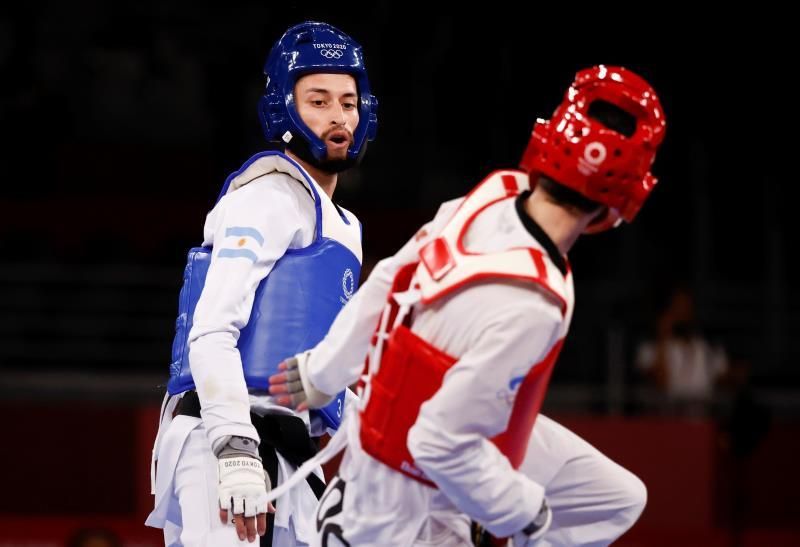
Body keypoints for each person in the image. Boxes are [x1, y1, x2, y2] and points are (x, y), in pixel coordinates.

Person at [269, 65, 666, 546]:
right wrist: (522, 512)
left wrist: (320, 373)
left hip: (462, 424)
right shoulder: (534, 305)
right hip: (397, 483)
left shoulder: (492, 196)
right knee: (530, 516)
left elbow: (391, 278)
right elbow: (436, 443)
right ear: (626, 195)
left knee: (615, 499)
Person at [145, 21, 378, 546]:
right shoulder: (268, 195)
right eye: (318, 101)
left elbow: (331, 364)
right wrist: (234, 448)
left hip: (296, 451)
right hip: (222, 436)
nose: (338, 117)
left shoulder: (345, 228)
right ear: (286, 109)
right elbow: (211, 330)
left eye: (348, 101)